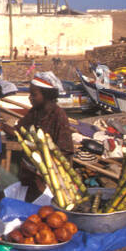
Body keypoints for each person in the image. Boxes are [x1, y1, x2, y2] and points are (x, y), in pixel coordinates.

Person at [15, 72, 75, 202]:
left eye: (34, 95)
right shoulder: (35, 112)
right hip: (34, 168)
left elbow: (65, 151)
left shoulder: (59, 115)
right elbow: (20, 129)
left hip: (53, 171)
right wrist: (2, 127)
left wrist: (44, 170)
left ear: (46, 96)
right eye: (30, 94)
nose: (30, 98)